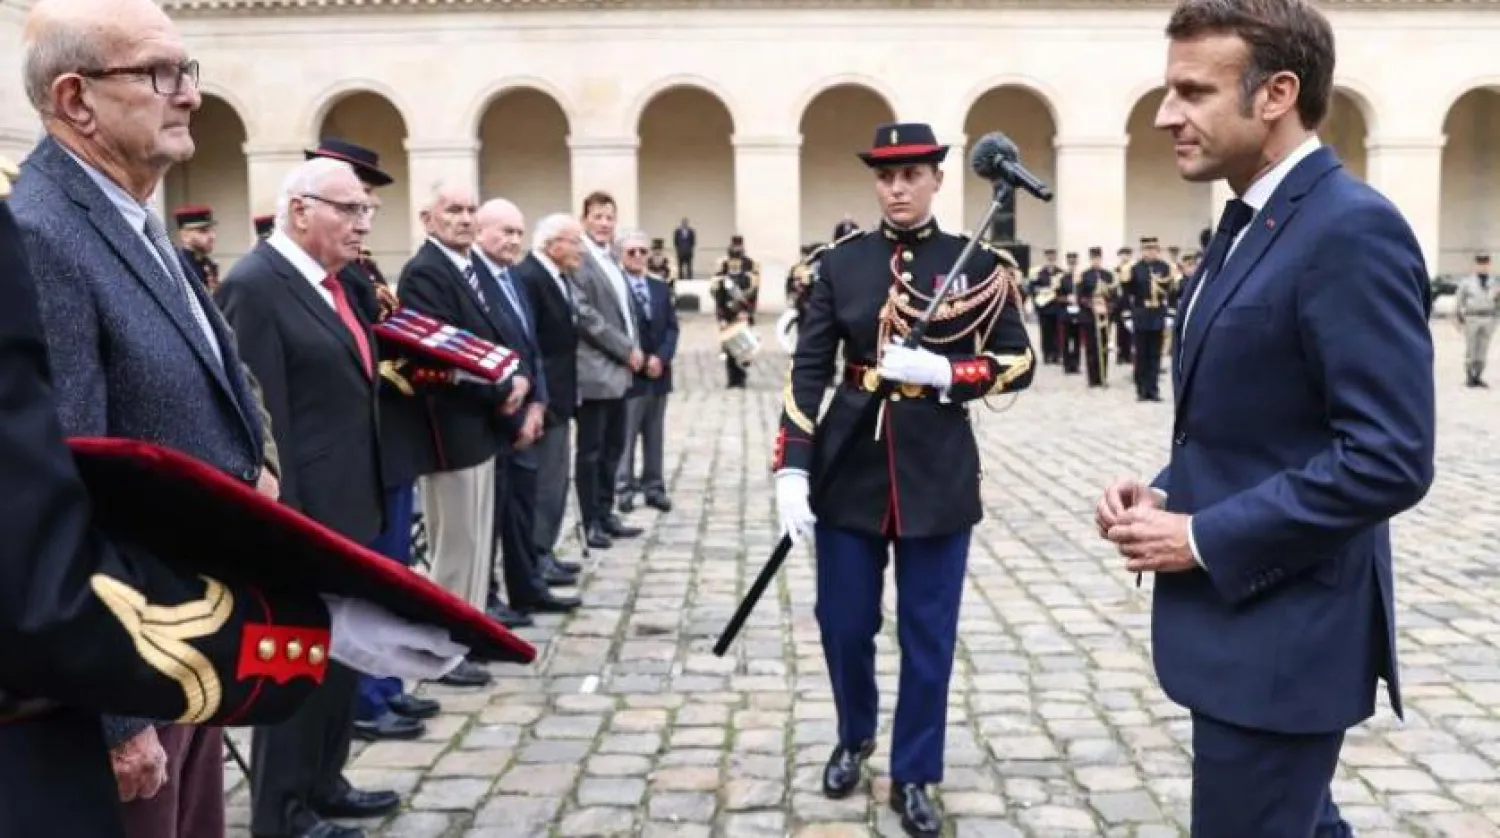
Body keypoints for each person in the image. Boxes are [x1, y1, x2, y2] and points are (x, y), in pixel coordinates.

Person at [1097, 2, 1435, 836]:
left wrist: (1201, 537)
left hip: (1286, 638)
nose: (1165, 114)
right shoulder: (1250, 220)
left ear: (1276, 93)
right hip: (1247, 632)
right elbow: (1264, 420)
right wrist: (1170, 492)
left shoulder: (1350, 229)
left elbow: (1389, 457)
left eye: (1192, 91)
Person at [773, 122, 1035, 838]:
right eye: (886, 176)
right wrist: (793, 467)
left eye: (912, 174)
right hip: (848, 467)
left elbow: (1018, 362)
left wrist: (948, 373)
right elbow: (807, 373)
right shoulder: (842, 264)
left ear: (937, 180)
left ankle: (915, 770)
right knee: (843, 624)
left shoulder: (977, 263)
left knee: (929, 636)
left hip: (938, 473)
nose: (897, 188)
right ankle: (855, 731)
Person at [215, 158, 399, 838]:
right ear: (300, 210)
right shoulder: (256, 285)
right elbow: (262, 416)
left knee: (340, 655)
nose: (364, 222)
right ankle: (282, 811)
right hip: (305, 514)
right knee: (294, 663)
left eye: (366, 211)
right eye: (350, 210)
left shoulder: (339, 283)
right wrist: (282, 523)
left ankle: (326, 781)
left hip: (353, 504)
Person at [614, 228, 679, 514]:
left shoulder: (660, 287)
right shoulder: (616, 288)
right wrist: (634, 356)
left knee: (655, 434)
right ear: (620, 255)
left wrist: (661, 359)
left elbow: (671, 328)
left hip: (658, 375)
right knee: (626, 435)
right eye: (632, 252)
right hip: (630, 374)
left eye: (643, 251)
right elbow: (615, 329)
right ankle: (623, 487)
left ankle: (654, 486)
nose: (639, 256)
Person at [712, 237, 758, 389]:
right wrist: (721, 318)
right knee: (729, 349)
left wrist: (747, 313)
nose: (735, 264)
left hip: (742, 317)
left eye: (737, 260)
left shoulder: (748, 279)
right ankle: (732, 379)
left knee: (743, 348)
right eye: (732, 260)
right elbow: (719, 301)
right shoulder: (722, 280)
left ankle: (741, 377)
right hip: (728, 317)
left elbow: (752, 298)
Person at [1455, 251, 1496, 387]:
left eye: (1485, 264)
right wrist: (1459, 319)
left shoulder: (1494, 282)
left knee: (1483, 349)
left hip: (1489, 318)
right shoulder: (1467, 282)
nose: (1483, 267)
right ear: (1475, 265)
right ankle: (1469, 376)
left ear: (1489, 265)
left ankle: (1478, 376)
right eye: (1480, 264)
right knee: (1471, 349)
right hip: (1472, 317)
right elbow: (1459, 302)